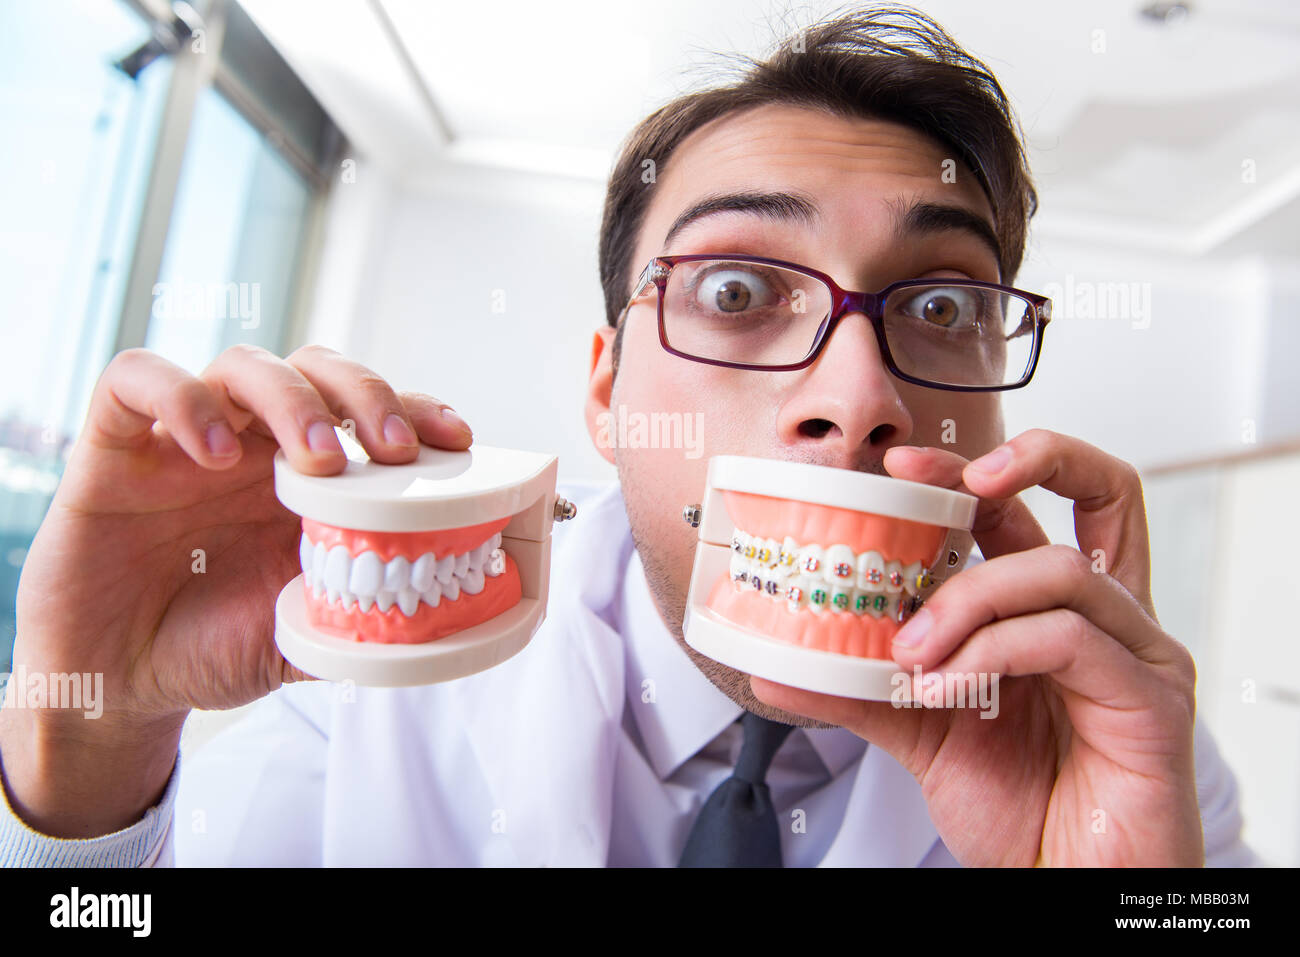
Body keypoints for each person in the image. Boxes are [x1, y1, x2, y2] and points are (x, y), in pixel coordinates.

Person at [0, 5, 1259, 867]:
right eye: (735, 293)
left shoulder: (1119, 742)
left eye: (940, 307)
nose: (858, 393)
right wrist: (88, 746)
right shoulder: (371, 710)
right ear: (606, 394)